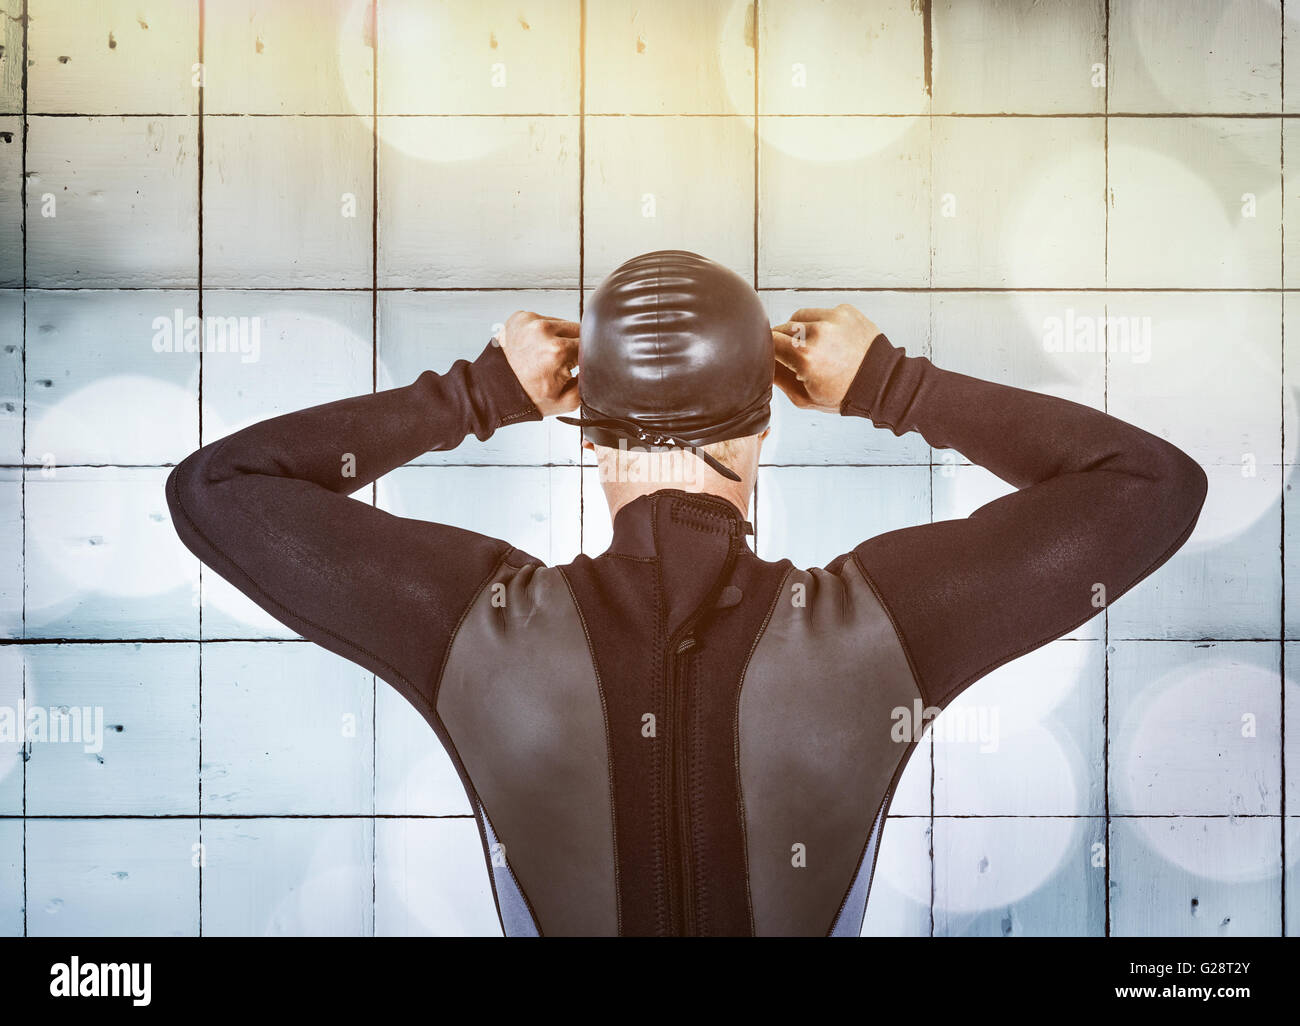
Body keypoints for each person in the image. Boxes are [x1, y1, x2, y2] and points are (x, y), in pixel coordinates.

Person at [166, 250, 1207, 936]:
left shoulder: (470, 624)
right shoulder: (882, 624)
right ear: (763, 425)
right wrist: (896, 384)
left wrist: (474, 395)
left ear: (588, 435)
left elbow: (220, 491)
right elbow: (1148, 486)